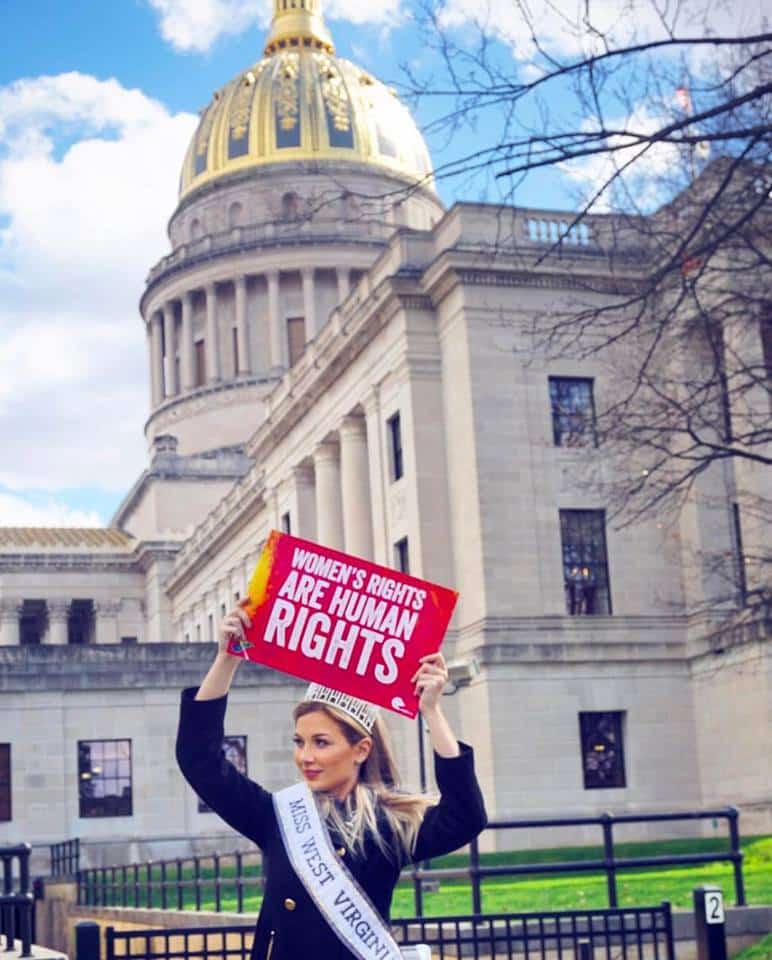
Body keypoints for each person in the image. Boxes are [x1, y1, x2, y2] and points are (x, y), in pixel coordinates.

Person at [176, 607, 487, 960]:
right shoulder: (276, 815)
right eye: (299, 742)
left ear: (361, 750)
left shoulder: (388, 826)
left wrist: (431, 710)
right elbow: (199, 760)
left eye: (321, 743)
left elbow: (466, 817)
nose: (305, 756)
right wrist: (226, 659)